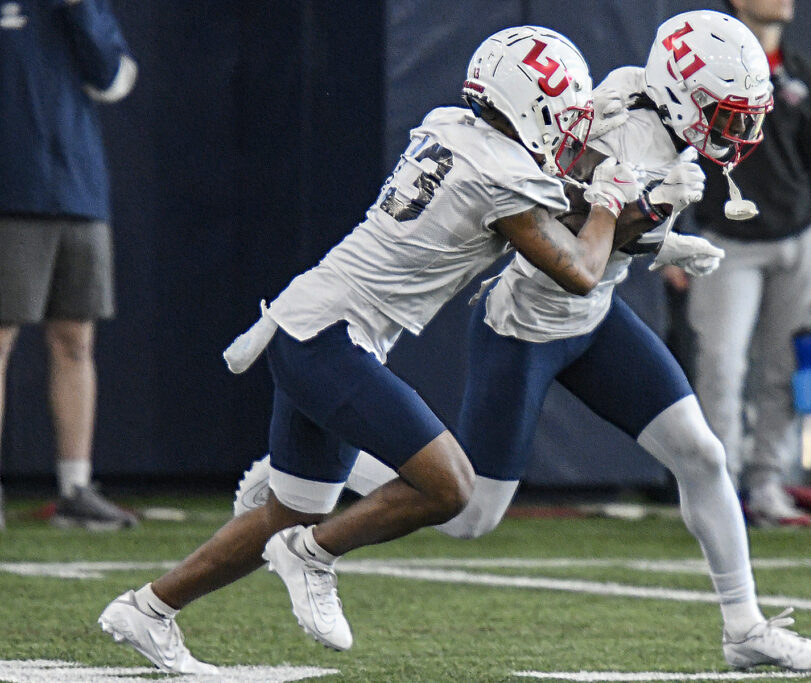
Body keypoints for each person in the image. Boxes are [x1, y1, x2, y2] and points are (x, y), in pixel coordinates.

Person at [237, 11, 811, 673]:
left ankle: (745, 626)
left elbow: (600, 247)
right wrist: (645, 221)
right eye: (726, 116)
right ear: (682, 92)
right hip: (526, 326)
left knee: (701, 452)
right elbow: (558, 220)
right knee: (471, 514)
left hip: (596, 317)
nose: (738, 133)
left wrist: (657, 235)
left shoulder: (641, 101)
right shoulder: (617, 125)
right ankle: (309, 472)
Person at [97, 26, 656, 675]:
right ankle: (312, 554)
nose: (567, 130)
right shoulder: (504, 177)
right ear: (530, 107)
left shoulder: (451, 126)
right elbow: (579, 268)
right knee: (452, 486)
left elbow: (551, 223)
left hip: (310, 322)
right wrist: (614, 203)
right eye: (561, 114)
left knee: (291, 508)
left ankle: (149, 608)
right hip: (331, 337)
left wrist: (628, 218)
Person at [683, 0, 811, 527]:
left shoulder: (804, 79)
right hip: (726, 242)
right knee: (722, 366)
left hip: (799, 239)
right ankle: (719, 489)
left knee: (785, 369)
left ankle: (769, 482)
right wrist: (674, 236)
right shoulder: (703, 72)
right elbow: (674, 152)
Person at [0, 0, 139, 531]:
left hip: (78, 192)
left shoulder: (82, 7)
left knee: (76, 340)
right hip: (12, 192)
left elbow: (114, 80)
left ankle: (75, 488)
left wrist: (80, 10)